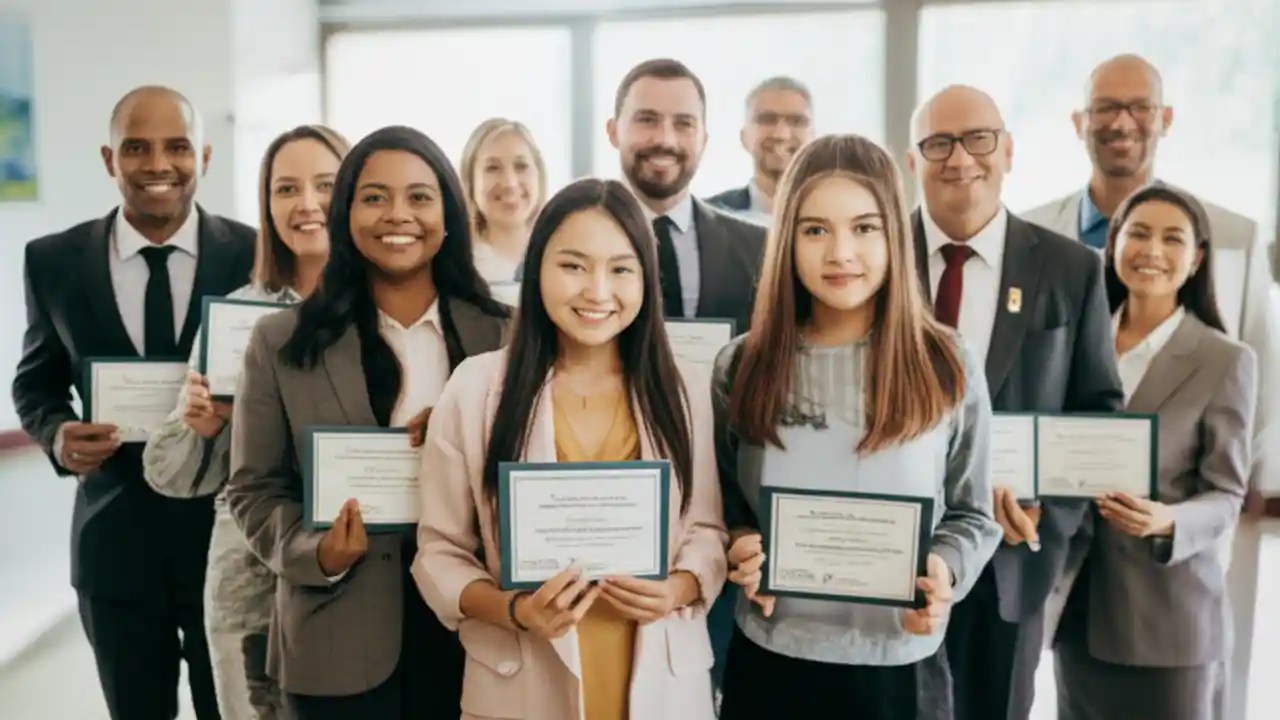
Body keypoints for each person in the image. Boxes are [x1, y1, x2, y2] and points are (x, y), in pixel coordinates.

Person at [414, 178, 727, 719]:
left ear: (646, 280)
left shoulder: (688, 389)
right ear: (536, 269)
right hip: (521, 682)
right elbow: (440, 551)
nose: (597, 292)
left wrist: (676, 589)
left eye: (621, 269)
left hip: (659, 680)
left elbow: (706, 531)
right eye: (574, 266)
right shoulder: (476, 387)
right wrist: (516, 610)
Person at [226, 125, 511, 718]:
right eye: (374, 197)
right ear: (345, 213)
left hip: (485, 634)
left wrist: (465, 439)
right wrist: (317, 551)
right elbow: (254, 489)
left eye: (420, 197)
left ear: (450, 212)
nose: (397, 215)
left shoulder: (511, 335)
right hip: (337, 640)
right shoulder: (281, 341)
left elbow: (542, 465)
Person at [713, 134, 1001, 719]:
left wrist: (942, 572)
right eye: (816, 230)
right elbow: (719, 508)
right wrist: (739, 545)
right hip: (773, 664)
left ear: (894, 234)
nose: (841, 252)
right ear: (786, 239)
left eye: (865, 228)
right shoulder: (741, 366)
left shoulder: (947, 363)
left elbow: (972, 514)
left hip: (902, 668)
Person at [11, 85, 256, 719]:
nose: (157, 165)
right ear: (108, 158)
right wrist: (58, 434)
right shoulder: (54, 261)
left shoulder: (255, 256)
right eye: (136, 148)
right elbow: (35, 381)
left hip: (225, 542)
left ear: (203, 156)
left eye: (176, 147)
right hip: (113, 545)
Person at [906, 85, 1125, 720]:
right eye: (938, 142)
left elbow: (1097, 412)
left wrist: (1042, 503)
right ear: (913, 159)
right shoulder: (874, 258)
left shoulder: (1071, 268)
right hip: (895, 559)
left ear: (1008, 150)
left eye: (979, 139)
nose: (960, 158)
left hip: (1010, 564)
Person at [142, 124, 349, 719]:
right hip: (249, 586)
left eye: (325, 185)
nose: (306, 204)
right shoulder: (238, 315)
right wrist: (199, 426)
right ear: (267, 206)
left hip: (363, 577)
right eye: (286, 189)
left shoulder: (390, 310)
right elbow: (171, 477)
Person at [1053, 184, 1256, 720]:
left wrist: (1168, 520)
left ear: (1197, 259)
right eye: (1138, 233)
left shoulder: (1225, 360)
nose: (1153, 250)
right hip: (1079, 611)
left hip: (1169, 622)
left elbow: (1226, 494)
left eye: (1173, 238)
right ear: (1113, 242)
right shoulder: (1073, 342)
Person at [607, 57, 766, 335]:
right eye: (647, 120)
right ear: (613, 132)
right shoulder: (570, 241)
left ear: (704, 139)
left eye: (684, 124)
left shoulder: (759, 249)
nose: (665, 140)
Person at [707, 75, 815, 221]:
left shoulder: (840, 214)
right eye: (768, 120)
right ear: (744, 137)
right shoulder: (708, 216)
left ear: (813, 139)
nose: (781, 134)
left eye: (796, 121)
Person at [459, 117, 547, 286]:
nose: (509, 183)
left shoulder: (560, 258)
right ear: (470, 180)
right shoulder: (457, 267)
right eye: (492, 168)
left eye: (521, 166)